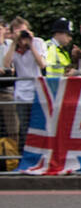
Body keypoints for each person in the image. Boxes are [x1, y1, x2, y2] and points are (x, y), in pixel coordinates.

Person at [2, 21, 45, 150]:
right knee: (24, 127)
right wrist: (14, 43)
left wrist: (31, 45)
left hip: (37, 92)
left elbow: (42, 64)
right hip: (21, 94)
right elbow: (6, 64)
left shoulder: (38, 42)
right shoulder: (12, 47)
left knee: (39, 125)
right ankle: (27, 154)